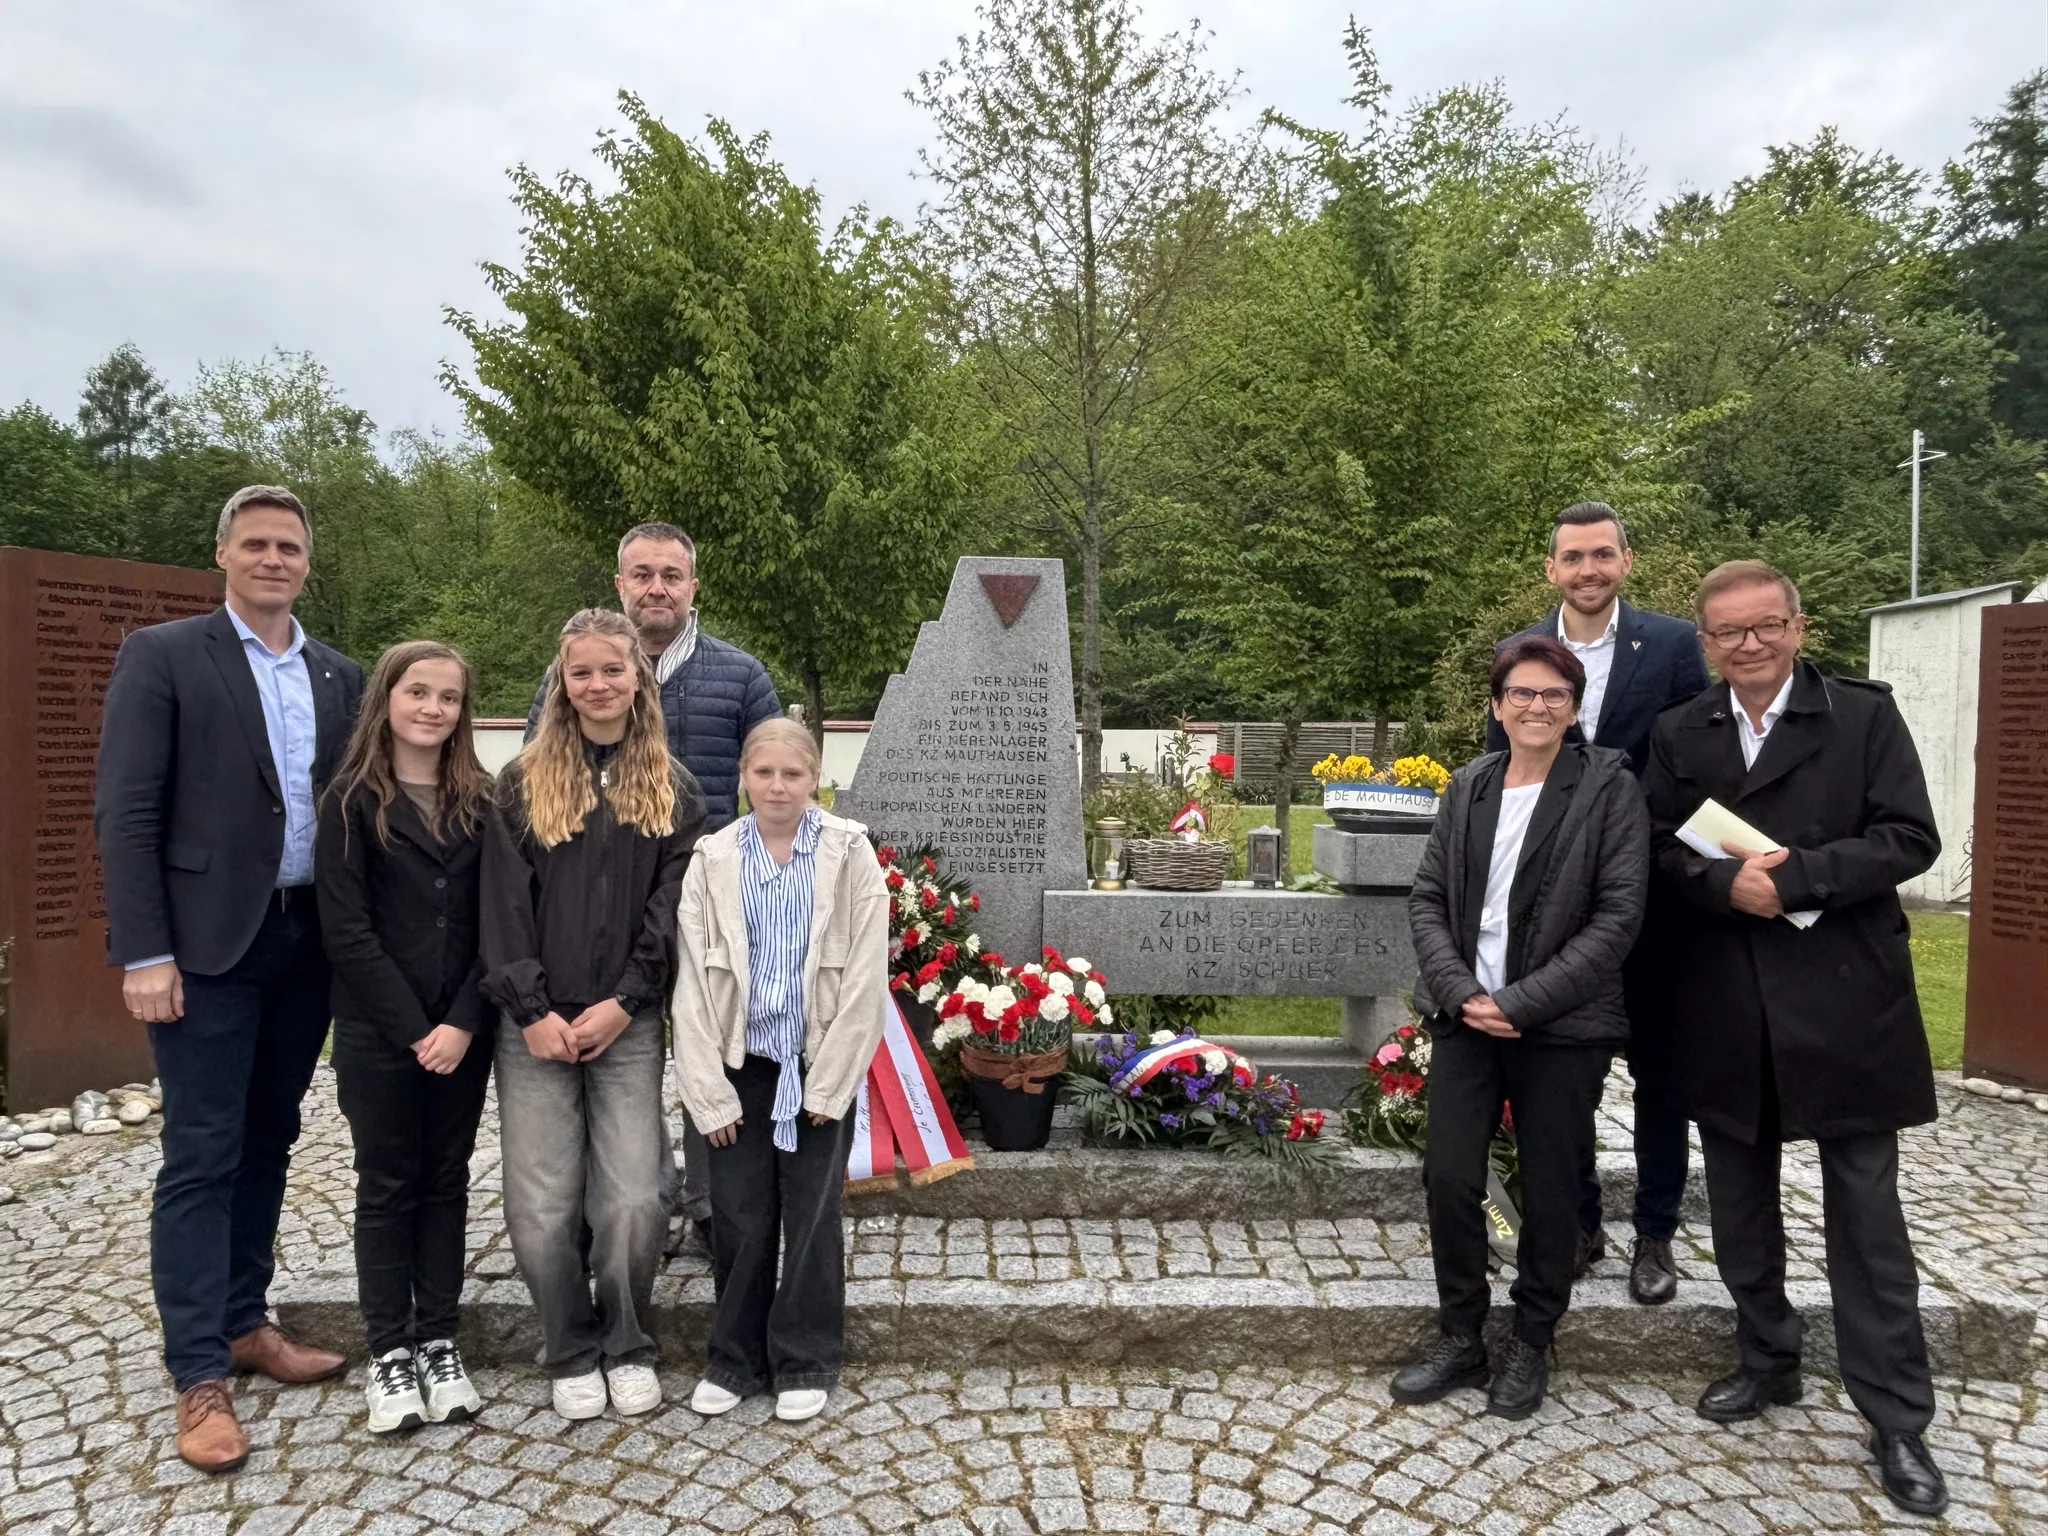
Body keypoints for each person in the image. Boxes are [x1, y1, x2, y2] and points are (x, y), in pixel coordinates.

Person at [1642, 560, 1947, 1517]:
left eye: (1766, 626)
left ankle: (1897, 1417)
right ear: (1706, 643)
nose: (1750, 644)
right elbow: (1652, 844)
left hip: (1847, 999)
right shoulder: (1678, 730)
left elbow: (1909, 838)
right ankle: (1767, 1356)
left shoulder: (1862, 718)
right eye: (1729, 632)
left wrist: (1799, 878)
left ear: (1797, 625)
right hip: (1728, 1000)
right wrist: (1721, 885)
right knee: (1739, 1201)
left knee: (1866, 1219)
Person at [95, 485, 364, 1473]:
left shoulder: (342, 675)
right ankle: (198, 1371)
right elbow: (127, 811)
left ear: (306, 561)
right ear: (224, 555)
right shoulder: (164, 659)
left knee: (272, 1137)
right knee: (201, 1152)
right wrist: (144, 949)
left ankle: (249, 1321)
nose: (273, 559)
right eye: (255, 543)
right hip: (204, 951)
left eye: (288, 546)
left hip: (304, 945)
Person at [1396, 634, 1649, 1419]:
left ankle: (1532, 1339)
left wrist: (1523, 1002)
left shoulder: (1608, 785)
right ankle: (1461, 1334)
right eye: (1522, 694)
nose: (1537, 708)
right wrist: (1465, 992)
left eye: (1554, 696)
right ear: (1496, 705)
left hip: (1562, 1026)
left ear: (1574, 709)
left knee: (1547, 1189)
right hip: (1466, 1016)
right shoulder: (1470, 784)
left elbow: (1617, 916)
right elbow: (1428, 899)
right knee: (1450, 1176)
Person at [526, 522, 781, 1255]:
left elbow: (771, 780)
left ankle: (710, 1205)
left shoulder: (741, 676)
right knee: (611, 1060)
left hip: (711, 910)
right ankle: (612, 1202)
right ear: (620, 584)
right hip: (597, 914)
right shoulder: (574, 672)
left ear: (694, 586)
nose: (657, 588)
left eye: (671, 575)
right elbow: (538, 783)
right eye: (642, 574)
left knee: (711, 1054)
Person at [483, 608, 706, 1422]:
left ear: (638, 679)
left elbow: (669, 905)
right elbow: (503, 908)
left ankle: (626, 1338)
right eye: (583, 672)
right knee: (541, 1201)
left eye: (614, 670)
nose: (599, 684)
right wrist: (532, 1008)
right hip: (534, 1025)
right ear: (562, 681)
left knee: (635, 1197)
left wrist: (624, 1001)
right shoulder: (519, 782)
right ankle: (569, 1344)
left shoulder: (674, 789)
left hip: (627, 1023)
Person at [1485, 501, 1710, 1305]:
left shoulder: (1676, 646)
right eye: (1573, 557)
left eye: (1603, 555)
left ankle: (1655, 1234)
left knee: (1661, 1073)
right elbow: (1499, 776)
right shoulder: (1520, 655)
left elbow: (1695, 761)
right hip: (1552, 904)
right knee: (1562, 1074)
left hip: (1651, 892)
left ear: (1625, 561)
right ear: (1551, 568)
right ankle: (1578, 1222)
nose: (1589, 570)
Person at [672, 719, 889, 1423]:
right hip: (742, 1068)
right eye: (763, 773)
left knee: (813, 1214)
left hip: (814, 1066)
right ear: (742, 775)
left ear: (814, 778)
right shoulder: (713, 858)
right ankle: (734, 1358)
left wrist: (831, 1082)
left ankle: (805, 1357)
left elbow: (864, 977)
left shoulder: (849, 854)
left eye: (792, 775)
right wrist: (707, 1093)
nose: (776, 787)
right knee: (737, 1216)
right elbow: (694, 988)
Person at [316, 641, 495, 1433]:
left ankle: (439, 1338)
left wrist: (460, 1020)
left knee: (446, 1178)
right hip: (379, 1030)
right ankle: (390, 1349)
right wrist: (417, 1029)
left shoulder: (482, 801)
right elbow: (347, 932)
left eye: (448, 698)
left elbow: (500, 923)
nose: (432, 708)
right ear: (386, 699)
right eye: (417, 692)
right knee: (387, 1184)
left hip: (462, 1027)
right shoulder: (351, 800)